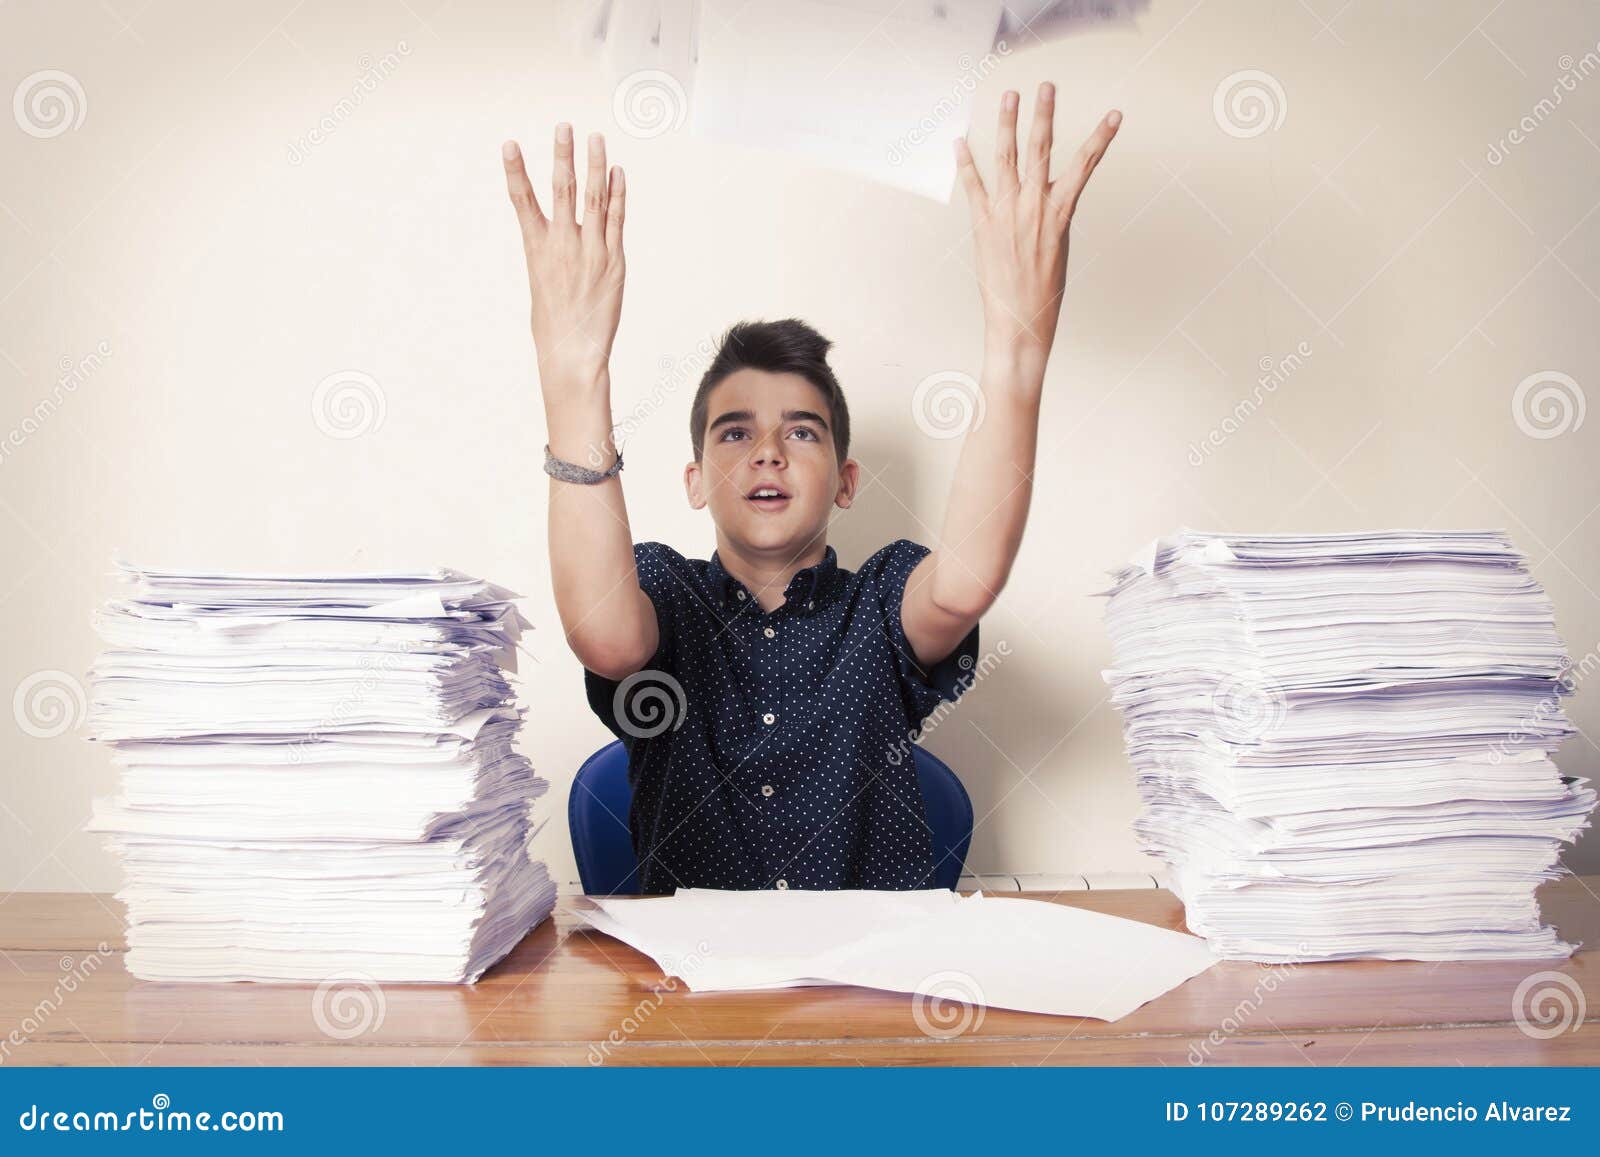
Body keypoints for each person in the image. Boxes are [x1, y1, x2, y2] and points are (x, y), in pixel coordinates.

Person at [501, 84, 1121, 894]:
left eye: (801, 431)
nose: (767, 452)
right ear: (694, 483)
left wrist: (1018, 345)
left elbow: (965, 580)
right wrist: (573, 372)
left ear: (846, 479)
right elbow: (609, 641)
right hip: (687, 1012)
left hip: (868, 1002)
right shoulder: (657, 588)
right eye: (734, 433)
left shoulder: (884, 599)